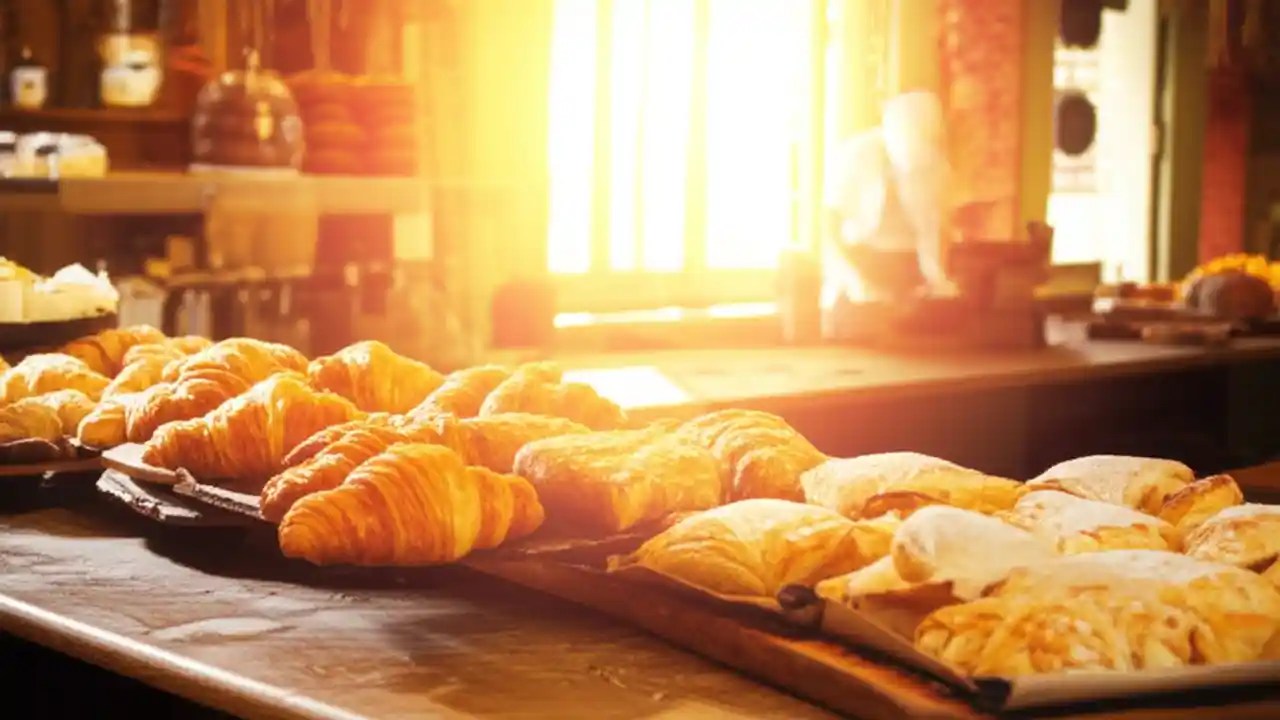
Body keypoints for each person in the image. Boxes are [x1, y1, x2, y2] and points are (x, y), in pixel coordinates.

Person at [821, 91, 954, 310]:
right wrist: (853, 278)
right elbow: (829, 227)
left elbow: (937, 230)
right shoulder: (854, 155)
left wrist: (936, 279)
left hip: (911, 271)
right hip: (859, 260)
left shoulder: (937, 167)